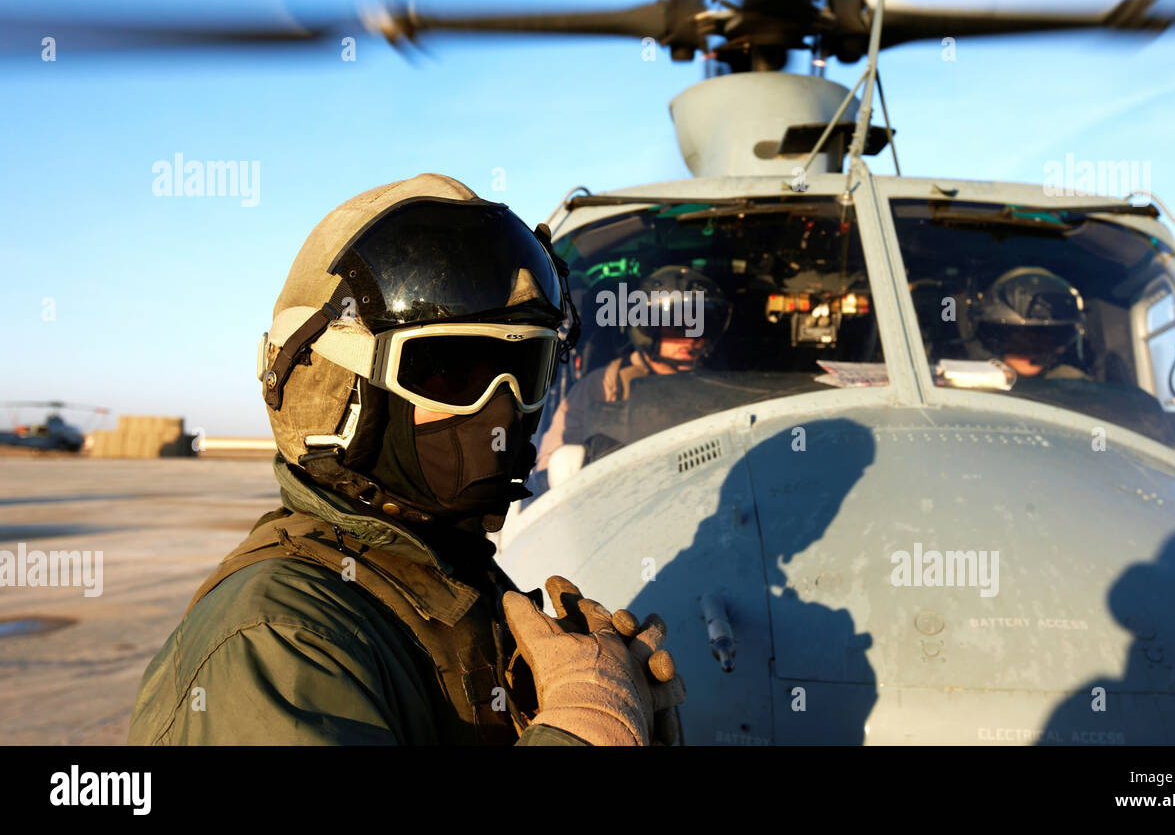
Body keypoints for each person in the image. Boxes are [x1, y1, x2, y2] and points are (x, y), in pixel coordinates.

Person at [127, 172, 684, 745]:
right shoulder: (277, 640)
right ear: (341, 390)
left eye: (524, 369)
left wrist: (630, 712)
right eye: (451, 370)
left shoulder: (451, 581)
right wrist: (586, 729)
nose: (500, 408)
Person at [537, 265, 731, 476]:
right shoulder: (605, 384)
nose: (693, 338)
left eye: (701, 326)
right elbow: (550, 466)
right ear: (650, 328)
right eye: (679, 325)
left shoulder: (725, 380)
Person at [968, 266, 1089, 381]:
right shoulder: (965, 379)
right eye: (1019, 338)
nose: (1031, 348)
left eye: (1045, 338)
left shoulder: (1079, 389)